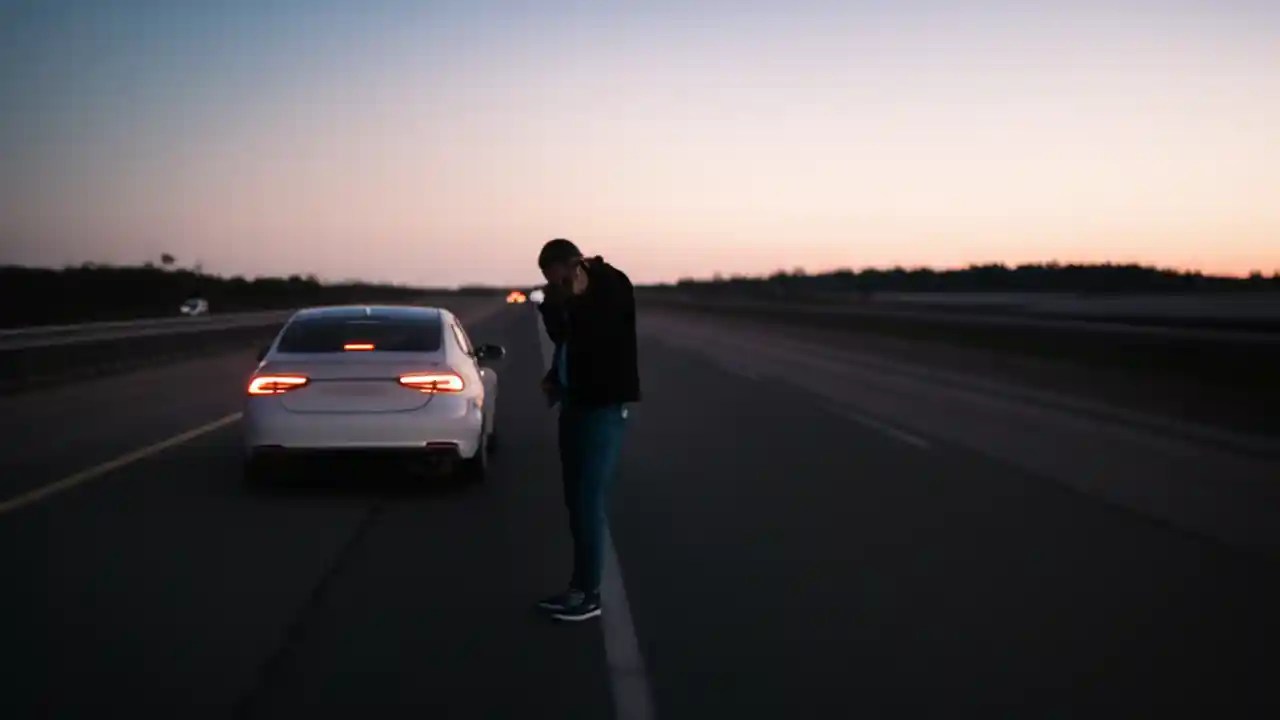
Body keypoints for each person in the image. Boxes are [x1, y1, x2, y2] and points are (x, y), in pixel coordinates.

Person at [534, 238, 640, 621]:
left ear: (571, 265)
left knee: (588, 501)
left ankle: (589, 594)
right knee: (575, 502)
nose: (555, 284)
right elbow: (566, 339)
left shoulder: (611, 283)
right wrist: (552, 308)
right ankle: (578, 588)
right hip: (575, 405)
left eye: (557, 277)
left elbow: (606, 325)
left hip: (602, 410)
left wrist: (579, 291)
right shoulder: (567, 299)